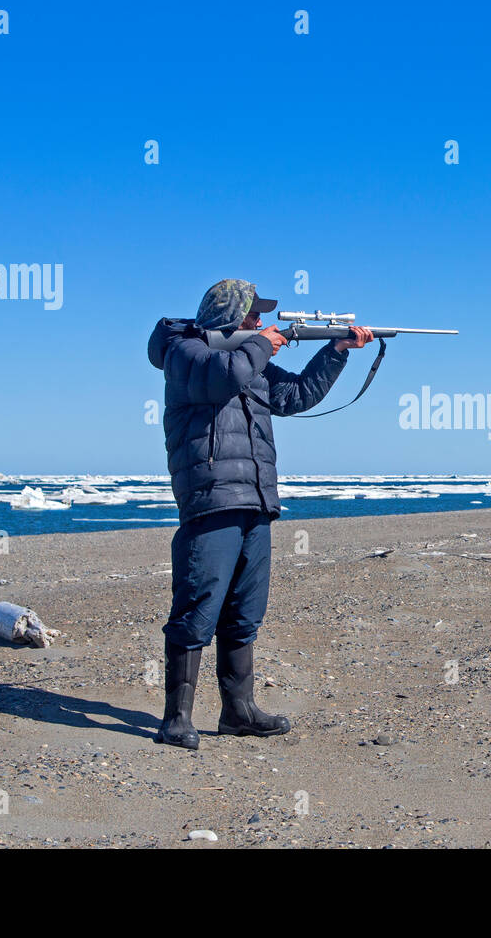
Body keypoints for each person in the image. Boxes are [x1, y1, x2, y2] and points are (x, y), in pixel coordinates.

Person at [146, 279, 374, 749]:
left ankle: (239, 711)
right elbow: (221, 376)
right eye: (251, 317)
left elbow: (297, 395)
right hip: (211, 500)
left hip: (257, 500)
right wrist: (263, 343)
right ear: (230, 316)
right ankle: (176, 719)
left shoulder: (246, 360)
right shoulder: (185, 354)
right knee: (196, 610)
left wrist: (336, 350)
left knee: (244, 612)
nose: (259, 323)